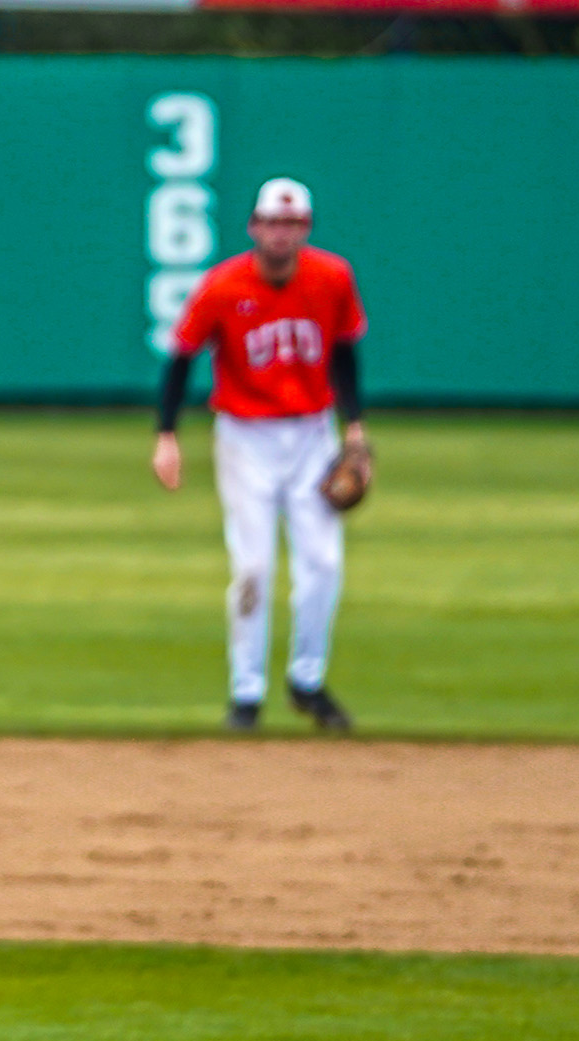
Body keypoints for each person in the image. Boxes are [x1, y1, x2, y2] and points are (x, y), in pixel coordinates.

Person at [152, 177, 369, 733]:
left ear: (307, 229)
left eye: (292, 223)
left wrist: (355, 429)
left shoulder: (332, 277)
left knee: (323, 564)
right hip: (245, 437)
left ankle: (307, 682)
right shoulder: (223, 285)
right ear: (253, 227)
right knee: (252, 566)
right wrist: (167, 435)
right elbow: (181, 357)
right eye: (272, 221)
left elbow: (344, 353)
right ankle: (246, 694)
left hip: (312, 434)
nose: (281, 232)